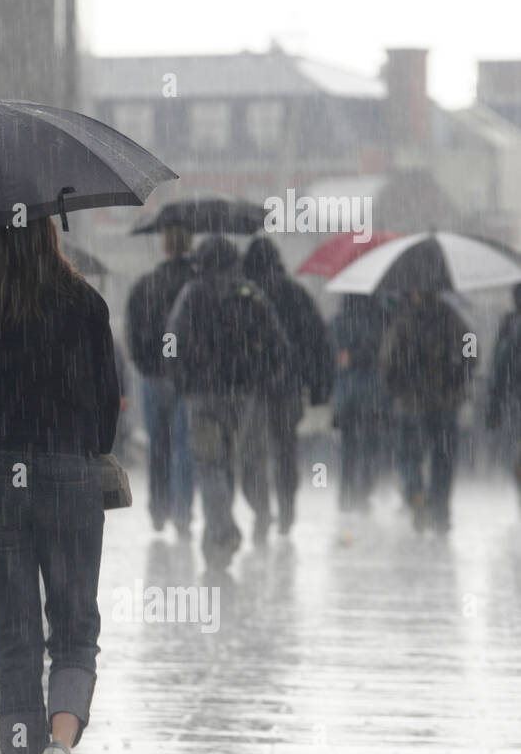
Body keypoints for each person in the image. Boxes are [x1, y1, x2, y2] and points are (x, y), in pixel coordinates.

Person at [0, 218, 119, 754]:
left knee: (13, 638)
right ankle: (60, 744)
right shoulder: (85, 303)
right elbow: (107, 414)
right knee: (72, 627)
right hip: (68, 474)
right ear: (48, 234)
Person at [165, 235, 288, 568]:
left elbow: (171, 342)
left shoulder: (192, 295)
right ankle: (217, 538)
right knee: (228, 465)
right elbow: (279, 347)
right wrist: (259, 379)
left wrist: (182, 380)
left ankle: (221, 530)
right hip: (243, 397)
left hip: (202, 397)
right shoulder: (251, 295)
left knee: (209, 466)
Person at [240, 238, 334, 540]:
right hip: (290, 389)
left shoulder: (245, 296)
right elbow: (319, 342)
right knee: (285, 451)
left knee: (252, 454)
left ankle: (261, 510)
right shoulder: (296, 294)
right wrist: (319, 388)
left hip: (253, 387)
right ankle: (286, 507)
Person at [380, 290, 473, 534]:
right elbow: (472, 350)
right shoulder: (451, 318)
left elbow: (387, 363)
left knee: (408, 455)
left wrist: (397, 387)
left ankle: (417, 495)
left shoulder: (403, 322)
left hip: (410, 404)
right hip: (445, 402)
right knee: (443, 458)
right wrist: (460, 372)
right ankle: (440, 509)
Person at [125, 224, 197, 538]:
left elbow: (132, 332)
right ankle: (182, 513)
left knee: (159, 447)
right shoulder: (195, 285)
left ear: (165, 248)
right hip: (187, 380)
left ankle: (158, 509)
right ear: (190, 245)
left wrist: (146, 365)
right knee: (184, 446)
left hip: (153, 377)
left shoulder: (146, 285)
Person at [331, 293, 388, 512]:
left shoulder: (338, 322)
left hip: (346, 395)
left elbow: (330, 353)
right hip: (375, 395)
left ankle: (346, 494)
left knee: (348, 447)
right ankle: (363, 491)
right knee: (371, 446)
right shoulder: (381, 318)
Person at [486, 284, 521, 506]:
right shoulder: (509, 324)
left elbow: (499, 367)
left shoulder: (511, 325)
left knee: (514, 453)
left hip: (514, 401)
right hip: (513, 399)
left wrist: (493, 406)